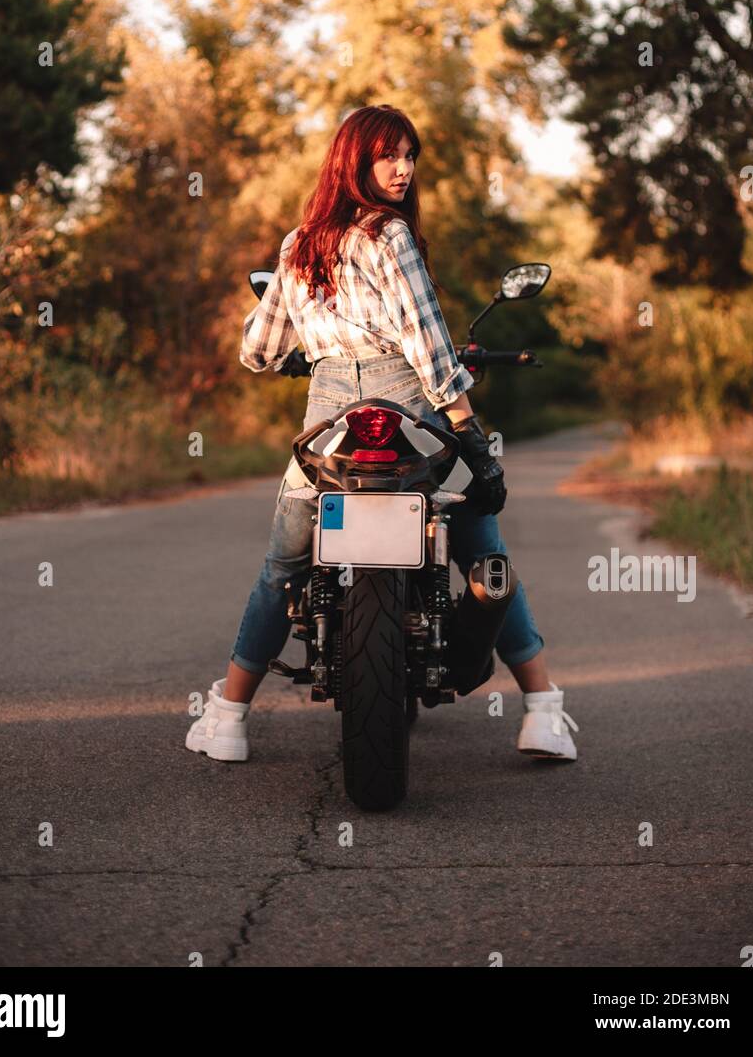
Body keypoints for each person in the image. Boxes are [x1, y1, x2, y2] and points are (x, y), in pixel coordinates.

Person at [186, 105, 578, 764]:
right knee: (482, 544)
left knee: (282, 566)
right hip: (408, 405)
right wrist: (471, 438)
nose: (403, 168)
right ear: (355, 162)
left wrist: (298, 354)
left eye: (410, 155)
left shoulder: (297, 244)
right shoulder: (391, 235)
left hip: (330, 416)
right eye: (387, 155)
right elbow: (426, 345)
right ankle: (541, 709)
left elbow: (256, 348)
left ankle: (227, 717)